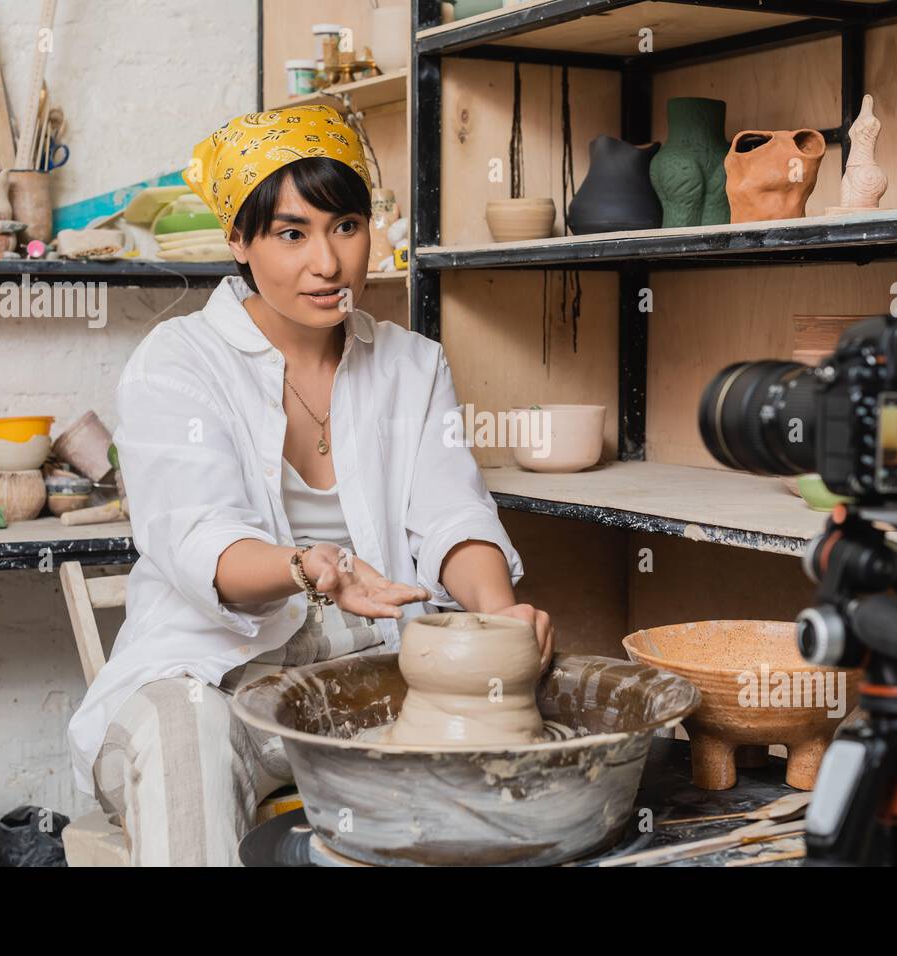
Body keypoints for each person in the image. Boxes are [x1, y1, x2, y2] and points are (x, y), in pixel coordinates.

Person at [65, 105, 554, 865]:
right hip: (217, 685)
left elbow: (451, 511)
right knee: (180, 728)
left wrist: (500, 617)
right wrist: (312, 569)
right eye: (291, 233)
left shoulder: (411, 364)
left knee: (504, 718)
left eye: (346, 226)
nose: (327, 263)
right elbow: (202, 542)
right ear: (238, 240)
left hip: (366, 683)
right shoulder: (180, 362)